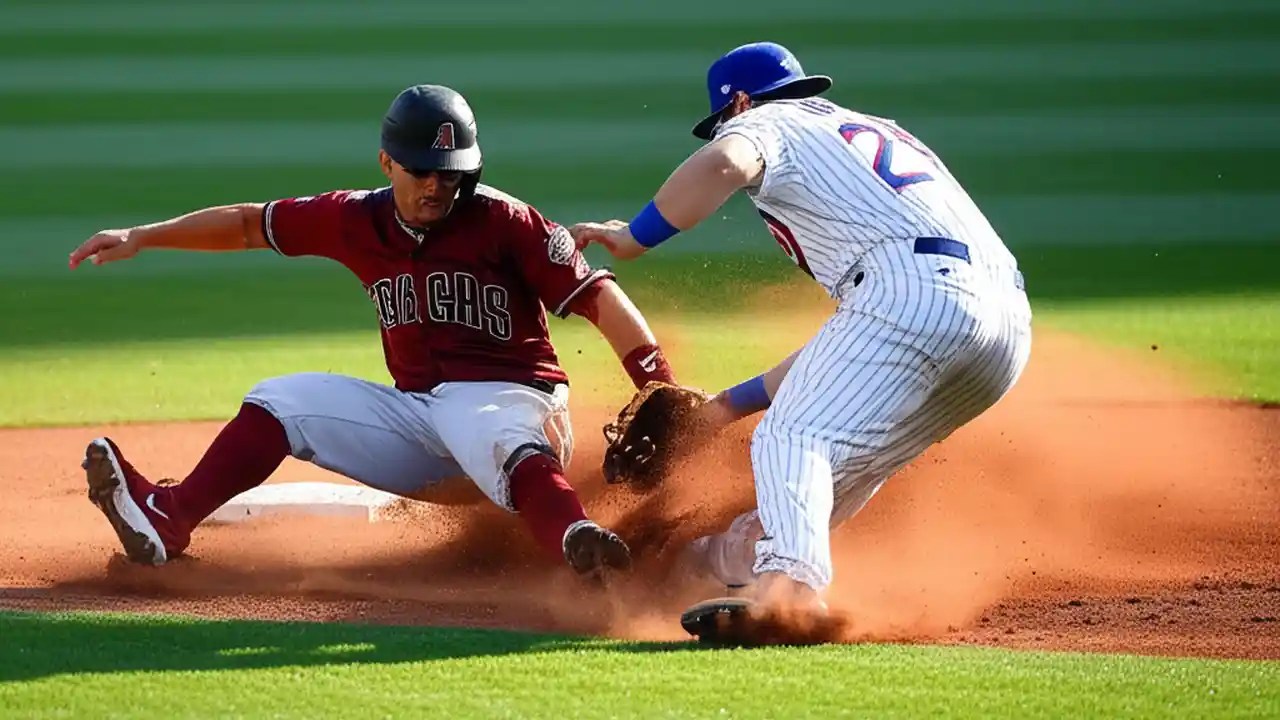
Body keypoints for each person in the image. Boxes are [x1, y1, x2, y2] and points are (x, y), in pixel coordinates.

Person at [68, 84, 679, 579]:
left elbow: (601, 297)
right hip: (421, 422)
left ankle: (579, 543)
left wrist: (660, 389)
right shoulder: (354, 218)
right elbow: (250, 225)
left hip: (518, 405)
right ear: (386, 162)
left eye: (453, 173)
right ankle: (168, 518)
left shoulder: (506, 220)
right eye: (423, 172)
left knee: (489, 424)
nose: (439, 185)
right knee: (280, 401)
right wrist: (143, 236)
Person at [570, 42, 1033, 640]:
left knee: (792, 436)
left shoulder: (766, 122)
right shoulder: (864, 132)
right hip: (1003, 329)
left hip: (917, 290)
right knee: (830, 470)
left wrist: (632, 236)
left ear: (738, 102)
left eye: (722, 121)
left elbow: (725, 164)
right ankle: (723, 568)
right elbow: (856, 342)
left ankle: (791, 591)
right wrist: (720, 410)